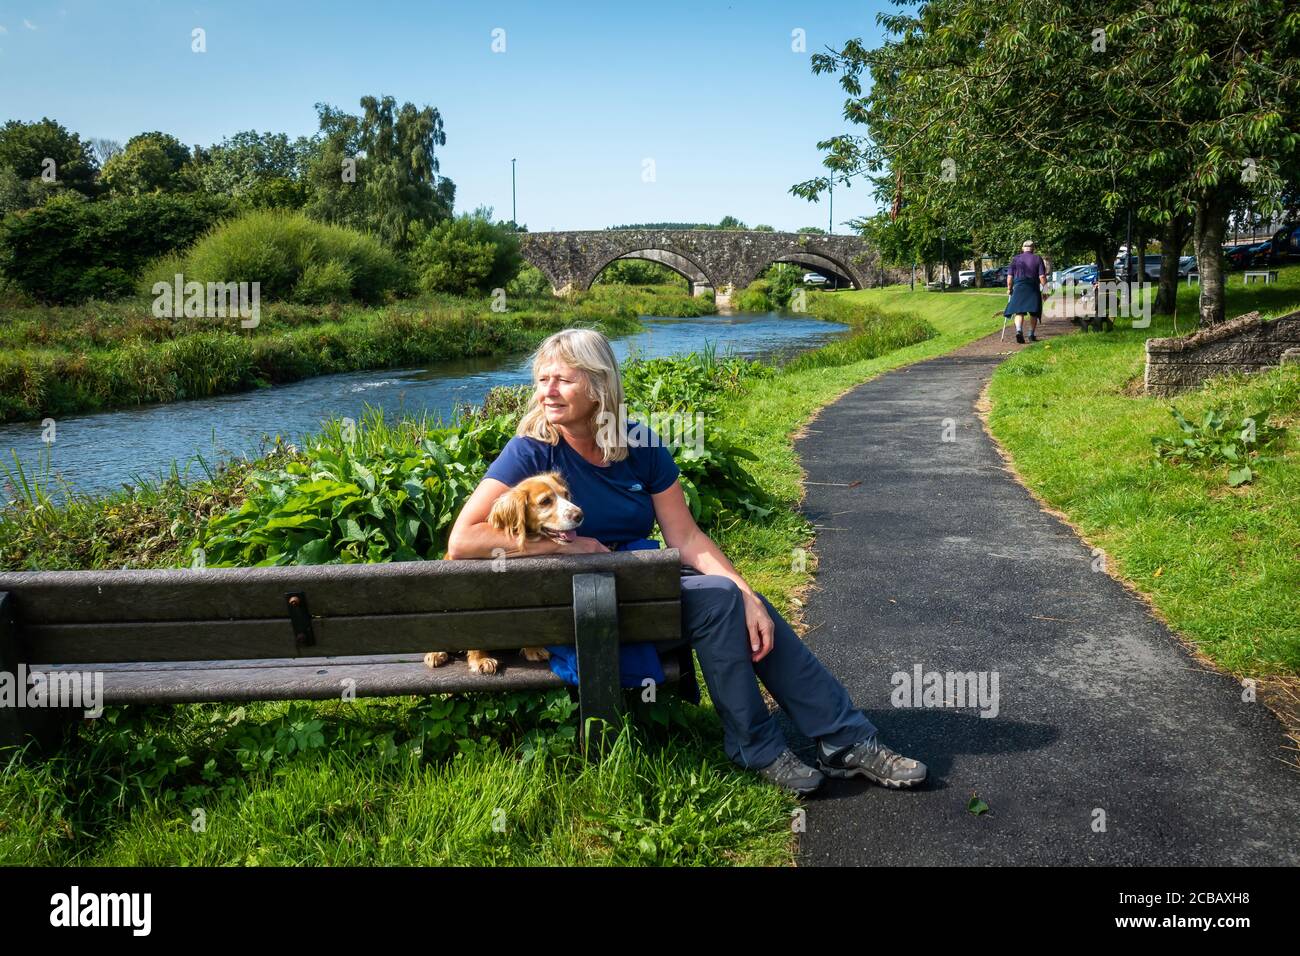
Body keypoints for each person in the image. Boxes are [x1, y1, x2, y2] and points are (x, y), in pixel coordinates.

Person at [445, 328, 927, 796]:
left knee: (736, 601)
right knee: (720, 602)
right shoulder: (529, 451)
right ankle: (777, 745)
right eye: (542, 379)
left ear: (598, 386)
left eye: (563, 380)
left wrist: (746, 592)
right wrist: (566, 546)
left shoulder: (639, 444)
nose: (547, 391)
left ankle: (835, 740)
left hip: (636, 591)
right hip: (569, 610)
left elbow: (687, 535)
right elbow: (464, 539)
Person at [1004, 239, 1048, 343]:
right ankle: (1031, 335)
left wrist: (1009, 289)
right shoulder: (1037, 258)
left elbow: (1009, 277)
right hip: (1032, 287)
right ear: (1033, 249)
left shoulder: (1015, 259)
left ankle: (1019, 331)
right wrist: (1045, 290)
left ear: (1023, 248)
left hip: (1019, 287)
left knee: (1019, 312)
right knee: (1034, 313)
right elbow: (1042, 276)